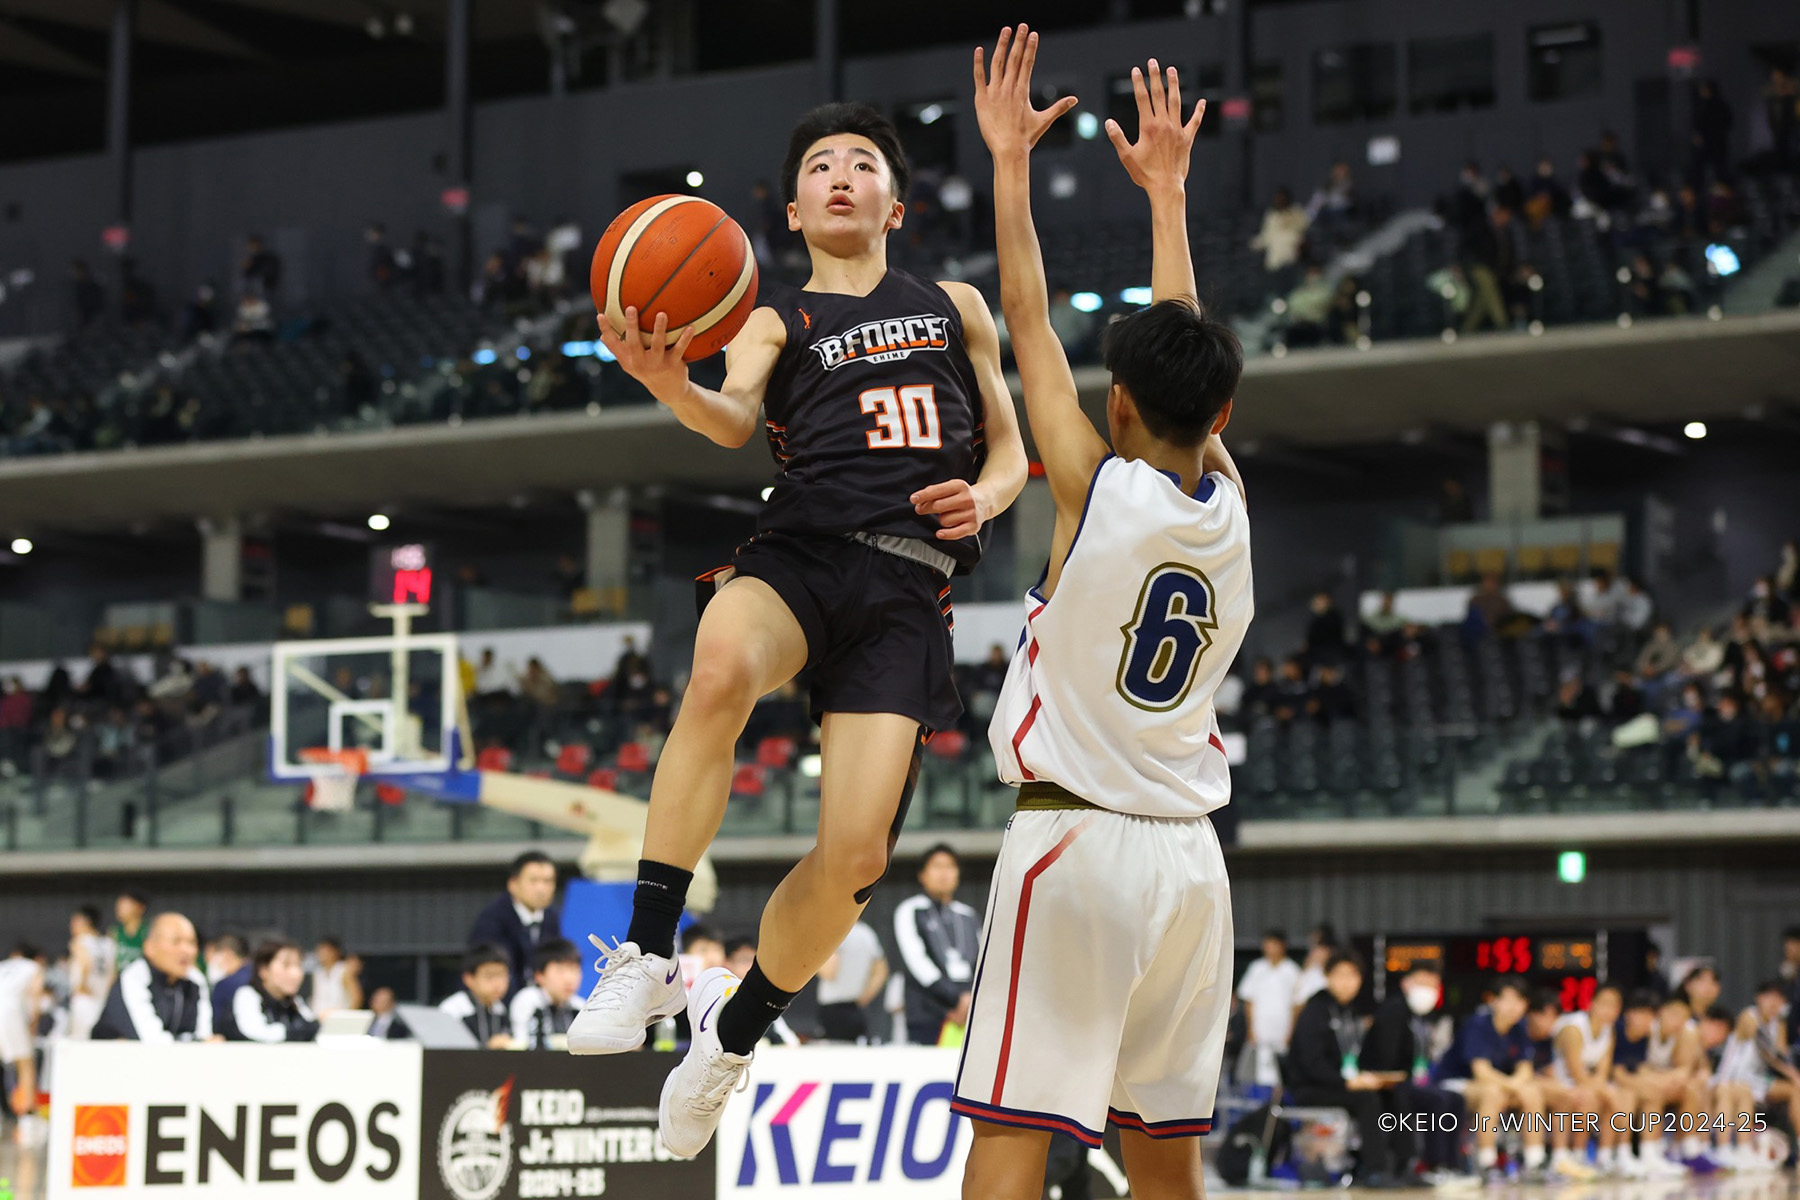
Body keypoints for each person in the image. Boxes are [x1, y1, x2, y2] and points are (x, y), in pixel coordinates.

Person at [570, 91, 1028, 1168]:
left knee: (857, 857)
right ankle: (646, 952)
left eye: (862, 163)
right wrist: (667, 380)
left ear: (895, 205)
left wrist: (993, 500)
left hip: (909, 591)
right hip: (804, 552)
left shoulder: (956, 304)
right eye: (820, 163)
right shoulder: (777, 319)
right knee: (719, 662)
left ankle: (727, 1038)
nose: (839, 174)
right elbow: (733, 420)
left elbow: (1006, 450)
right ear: (789, 212)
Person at [953, 42, 1249, 1200]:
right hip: (1192, 868)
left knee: (1012, 1136)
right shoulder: (1229, 505)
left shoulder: (1089, 484)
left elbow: (1023, 311)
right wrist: (1168, 198)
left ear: (1114, 403)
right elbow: (1189, 351)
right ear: (1221, 412)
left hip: (1074, 845)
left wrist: (1010, 165)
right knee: (1165, 1158)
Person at [1285, 954, 1411, 1189]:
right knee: (1366, 1099)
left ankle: (1403, 1166)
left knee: (1395, 1097)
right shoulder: (1315, 1011)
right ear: (1327, 977)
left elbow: (1355, 1056)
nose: (1347, 982)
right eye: (1340, 975)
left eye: (1353, 976)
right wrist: (1347, 1082)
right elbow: (1311, 1064)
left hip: (1343, 1082)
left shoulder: (1350, 1012)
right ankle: (1375, 1170)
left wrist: (1373, 1077)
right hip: (1312, 1087)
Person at [1361, 962, 1474, 1184]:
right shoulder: (1394, 1009)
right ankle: (1433, 1165)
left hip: (1412, 1079)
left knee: (1455, 1098)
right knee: (1436, 1100)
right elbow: (1387, 1060)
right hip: (1388, 1081)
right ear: (1406, 983)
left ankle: (1452, 1165)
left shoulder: (1421, 1017)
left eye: (1433, 985)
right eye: (1422, 983)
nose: (1428, 990)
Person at [1433, 977, 1547, 1182]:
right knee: (1492, 1092)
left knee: (1532, 1091)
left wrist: (1517, 1086)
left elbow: (1525, 1069)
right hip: (1455, 1083)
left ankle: (1534, 1162)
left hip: (1499, 1086)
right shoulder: (1477, 1024)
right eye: (1508, 1000)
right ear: (1493, 1001)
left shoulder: (1519, 1029)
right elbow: (1481, 1072)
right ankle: (1486, 1163)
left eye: (1520, 1001)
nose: (1514, 1007)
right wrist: (1513, 1085)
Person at [893, 844, 981, 1046]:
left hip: (969, 1013)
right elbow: (917, 962)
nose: (944, 873)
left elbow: (982, 961)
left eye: (950, 867)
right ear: (922, 875)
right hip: (929, 1014)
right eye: (937, 866)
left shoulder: (968, 915)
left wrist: (970, 1000)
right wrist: (956, 999)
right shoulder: (911, 910)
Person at [92, 913, 215, 1042]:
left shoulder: (195, 979)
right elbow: (153, 1041)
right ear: (149, 947)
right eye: (176, 942)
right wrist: (193, 1042)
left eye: (192, 942)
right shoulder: (134, 977)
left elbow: (205, 1036)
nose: (186, 950)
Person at [469, 850, 563, 999]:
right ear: (513, 884)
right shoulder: (492, 918)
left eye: (548, 881)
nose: (541, 889)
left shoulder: (552, 917)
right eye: (533, 881)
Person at [221, 939, 320, 1044]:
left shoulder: (294, 1001)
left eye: (298, 966)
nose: (296, 974)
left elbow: (312, 1026)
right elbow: (257, 1032)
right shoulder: (247, 995)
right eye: (286, 966)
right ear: (263, 970)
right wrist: (295, 1031)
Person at [1237, 931, 1301, 1086]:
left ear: (1282, 946)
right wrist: (1250, 1028)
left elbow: (1297, 1004)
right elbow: (1249, 1000)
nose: (1270, 948)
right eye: (1267, 944)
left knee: (1281, 1068)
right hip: (1261, 1028)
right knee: (1261, 1067)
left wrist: (1291, 1031)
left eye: (1274, 944)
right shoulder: (1256, 968)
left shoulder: (1292, 970)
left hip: (1282, 1029)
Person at [815, 921, 888, 1042]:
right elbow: (881, 970)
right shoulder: (866, 933)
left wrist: (812, 958)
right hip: (856, 1009)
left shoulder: (835, 931)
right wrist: (865, 997)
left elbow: (830, 972)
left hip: (833, 1010)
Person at [510, 939, 583, 1050]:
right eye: (560, 971)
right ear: (539, 975)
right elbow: (523, 1045)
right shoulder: (527, 1000)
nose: (569, 979)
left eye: (574, 970)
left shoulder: (580, 1006)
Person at [440, 944, 514, 1048]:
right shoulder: (453, 1009)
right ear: (469, 979)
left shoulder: (500, 1009)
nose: (498, 983)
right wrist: (488, 1047)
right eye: (490, 976)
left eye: (502, 975)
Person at [0, 942, 43, 1123]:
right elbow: (36, 995)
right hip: (12, 1012)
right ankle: (28, 1112)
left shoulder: (3, 965)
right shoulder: (33, 967)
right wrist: (33, 1022)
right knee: (26, 1064)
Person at [67, 905, 115, 1040]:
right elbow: (113, 973)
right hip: (103, 999)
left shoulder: (80, 940)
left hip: (85, 997)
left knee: (79, 1040)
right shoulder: (109, 942)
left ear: (85, 921)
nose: (72, 925)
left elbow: (85, 963)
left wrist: (82, 984)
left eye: (75, 921)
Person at [203, 932, 250, 1029]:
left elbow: (215, 1026)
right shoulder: (259, 975)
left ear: (227, 955)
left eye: (211, 959)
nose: (209, 964)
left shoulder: (224, 986)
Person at [308, 936, 362, 1016]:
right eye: (319, 950)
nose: (321, 954)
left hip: (339, 1019)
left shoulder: (344, 970)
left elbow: (356, 998)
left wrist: (348, 1016)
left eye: (326, 950)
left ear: (335, 952)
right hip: (319, 1019)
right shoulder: (318, 973)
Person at [112, 890, 148, 969]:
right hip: (120, 979)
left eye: (124, 905)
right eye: (118, 905)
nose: (119, 909)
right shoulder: (115, 933)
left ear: (139, 907)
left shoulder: (149, 932)